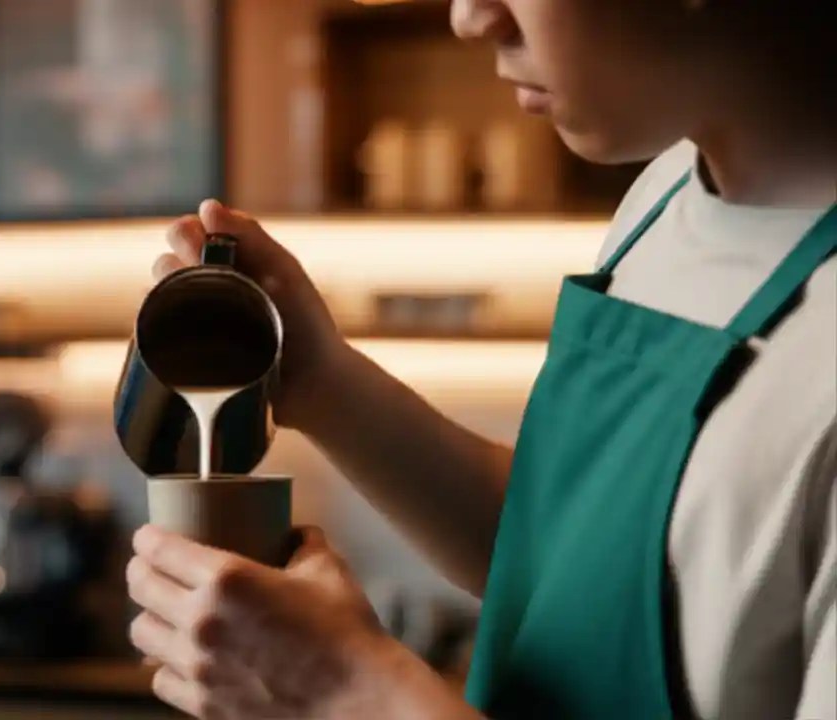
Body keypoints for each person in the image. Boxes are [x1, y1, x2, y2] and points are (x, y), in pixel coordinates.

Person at [124, 0, 836, 718]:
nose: (469, 16)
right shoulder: (663, 197)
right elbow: (575, 561)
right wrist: (321, 381)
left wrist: (348, 693)